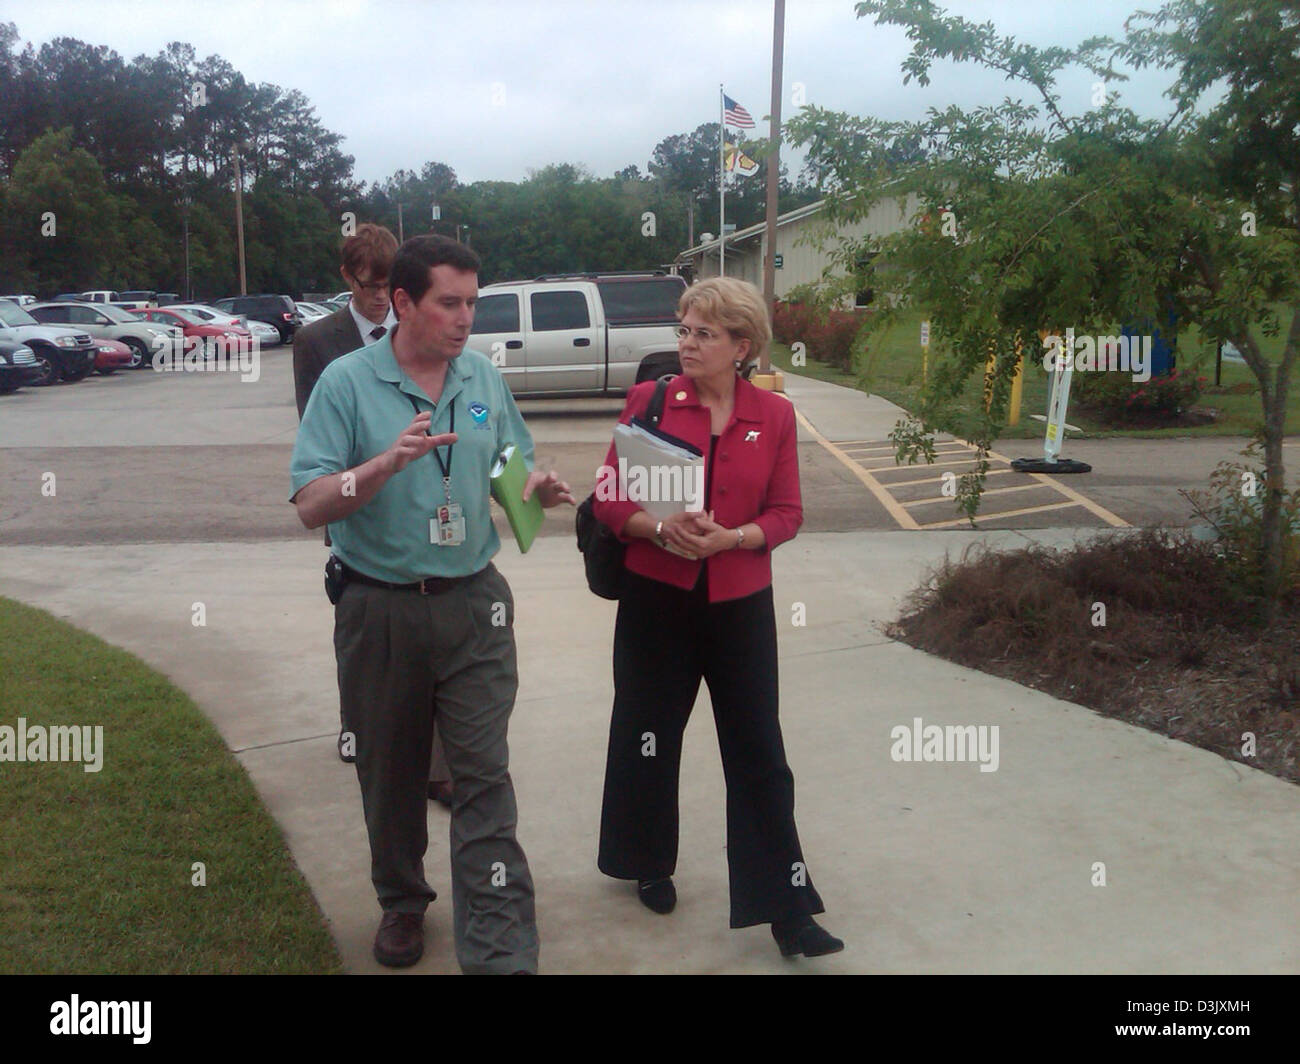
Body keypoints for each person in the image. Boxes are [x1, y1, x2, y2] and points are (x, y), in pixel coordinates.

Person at [290, 234, 575, 973]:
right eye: (450, 302)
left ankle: (501, 948)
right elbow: (312, 505)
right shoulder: (347, 384)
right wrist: (382, 465)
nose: (465, 318)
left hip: (475, 604)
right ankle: (403, 902)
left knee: (482, 777)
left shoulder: (480, 379)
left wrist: (532, 492)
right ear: (403, 301)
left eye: (472, 303)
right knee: (390, 775)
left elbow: (509, 476)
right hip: (378, 608)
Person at [591, 276, 842, 959]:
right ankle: (646, 859)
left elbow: (787, 514)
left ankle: (788, 909)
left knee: (760, 749)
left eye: (704, 333)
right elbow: (608, 500)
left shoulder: (776, 415)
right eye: (683, 328)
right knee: (648, 732)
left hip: (739, 604)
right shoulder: (651, 400)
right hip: (656, 601)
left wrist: (731, 539)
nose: (687, 343)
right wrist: (656, 526)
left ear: (742, 345)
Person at [291, 223, 452, 805]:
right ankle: (356, 722)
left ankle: (435, 764)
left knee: (430, 627)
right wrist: (376, 467)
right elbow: (318, 436)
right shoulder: (317, 342)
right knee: (360, 631)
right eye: (368, 287)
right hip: (355, 503)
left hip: (425, 502)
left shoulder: (419, 329)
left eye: (388, 286)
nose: (379, 297)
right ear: (346, 279)